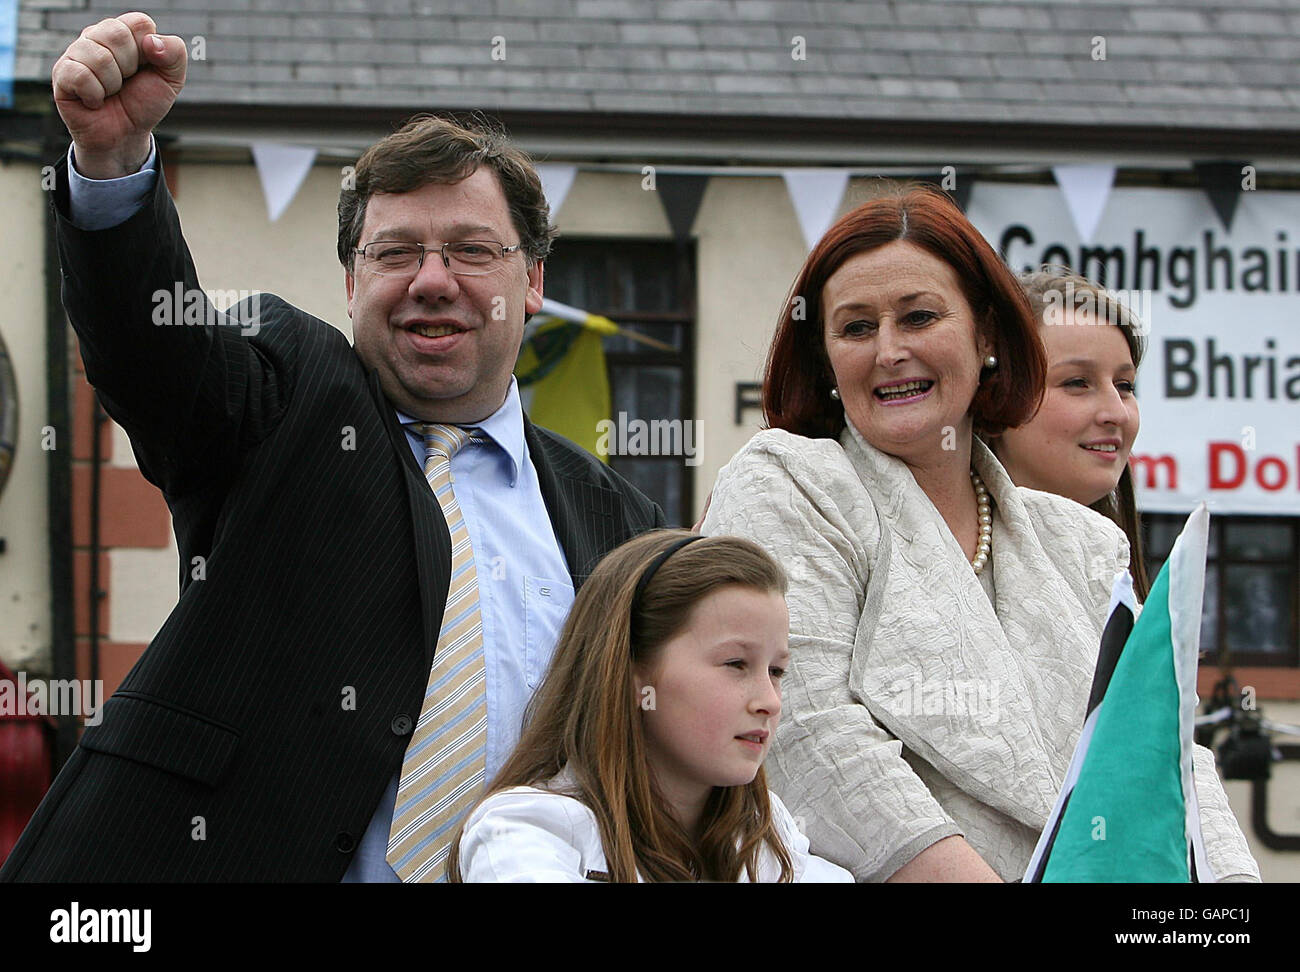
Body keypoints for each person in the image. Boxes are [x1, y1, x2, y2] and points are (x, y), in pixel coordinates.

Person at [0, 12, 663, 882]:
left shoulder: (618, 521)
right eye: (395, 253)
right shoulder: (284, 399)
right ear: (352, 282)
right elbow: (151, 353)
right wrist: (116, 165)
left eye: (471, 251)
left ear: (531, 281)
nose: (433, 280)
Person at [701, 184, 1259, 882]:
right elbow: (808, 736)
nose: (889, 350)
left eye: (919, 316)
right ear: (825, 359)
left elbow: (1167, 756)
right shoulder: (787, 481)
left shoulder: (1084, 545)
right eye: (855, 328)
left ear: (987, 336)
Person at [451, 530, 852, 882]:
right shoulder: (524, 830)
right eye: (735, 664)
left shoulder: (766, 836)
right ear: (630, 669)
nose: (769, 701)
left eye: (777, 670)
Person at [990, 267, 1150, 599]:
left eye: (1125, 386)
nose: (1116, 413)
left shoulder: (1115, 576)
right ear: (996, 398)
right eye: (1077, 382)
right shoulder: (938, 569)